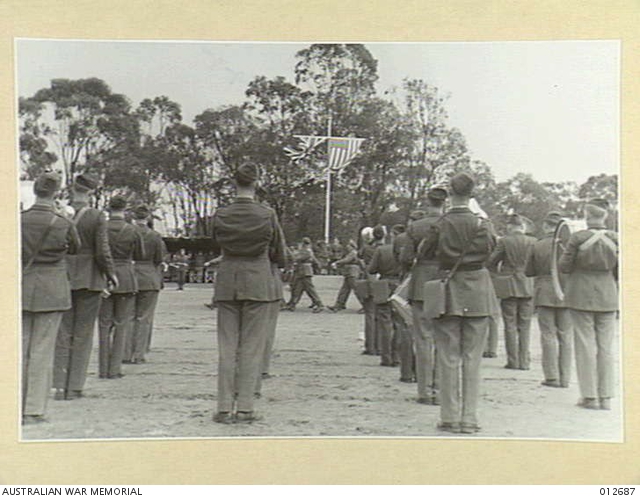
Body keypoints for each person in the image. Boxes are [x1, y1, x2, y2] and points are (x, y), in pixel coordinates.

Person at [420, 172, 498, 434]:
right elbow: (493, 250)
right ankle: (470, 418)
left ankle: (449, 416)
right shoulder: (483, 223)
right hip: (478, 291)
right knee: (473, 358)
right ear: (472, 194)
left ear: (450, 194)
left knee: (448, 355)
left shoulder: (441, 223)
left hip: (449, 291)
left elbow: (424, 252)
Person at [211, 163, 287, 424]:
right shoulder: (267, 214)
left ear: (235, 183)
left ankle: (223, 407)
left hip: (227, 281)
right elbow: (279, 251)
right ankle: (245, 407)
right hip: (258, 281)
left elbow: (217, 243)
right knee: (252, 347)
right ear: (256, 183)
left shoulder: (221, 214)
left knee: (227, 347)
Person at [21, 172, 80, 423]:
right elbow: (76, 247)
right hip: (52, 289)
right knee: (43, 350)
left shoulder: (18, 219)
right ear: (56, 193)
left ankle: (13, 403)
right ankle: (33, 409)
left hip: (22, 285)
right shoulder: (63, 222)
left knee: (19, 349)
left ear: (35, 190)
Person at [53, 173, 117, 401]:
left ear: (72, 189)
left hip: (63, 275)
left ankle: (59, 386)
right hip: (90, 278)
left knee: (63, 332)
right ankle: (75, 387)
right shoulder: (97, 216)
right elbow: (102, 251)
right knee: (83, 333)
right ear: (91, 192)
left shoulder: (59, 214)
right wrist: (110, 274)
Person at [559, 198, 618, 410]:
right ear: (606, 216)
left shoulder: (577, 238)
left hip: (580, 293)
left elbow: (564, 267)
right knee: (606, 348)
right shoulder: (616, 238)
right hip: (608, 294)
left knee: (585, 345)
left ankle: (589, 396)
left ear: (587, 216)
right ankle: (607, 397)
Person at [402, 191, 447, 405]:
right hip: (445, 283)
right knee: (443, 338)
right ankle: (440, 388)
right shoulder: (450, 224)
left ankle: (424, 390)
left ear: (428, 203)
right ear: (444, 203)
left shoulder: (415, 227)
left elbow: (405, 258)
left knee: (422, 339)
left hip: (421, 284)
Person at [524, 211, 573, 387]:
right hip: (566, 291)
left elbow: (528, 271)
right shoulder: (569, 245)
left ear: (546, 226)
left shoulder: (537, 245)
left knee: (548, 335)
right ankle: (565, 377)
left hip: (544, 291)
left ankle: (552, 376)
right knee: (566, 336)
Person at [97, 196, 142, 379]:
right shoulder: (132, 230)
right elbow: (140, 254)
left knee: (103, 324)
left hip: (103, 277)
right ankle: (115, 368)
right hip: (126, 277)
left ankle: (103, 368)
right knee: (122, 323)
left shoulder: (101, 227)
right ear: (125, 209)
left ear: (108, 208)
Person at [487, 214, 537, 370]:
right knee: (525, 324)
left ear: (510, 226)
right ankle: (524, 361)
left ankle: (513, 361)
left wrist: (497, 276)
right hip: (528, 283)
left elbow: (491, 261)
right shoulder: (533, 242)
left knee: (509, 324)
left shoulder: (504, 241)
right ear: (522, 226)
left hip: (508, 284)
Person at [124, 205, 167, 364]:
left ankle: (125, 353)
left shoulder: (126, 232)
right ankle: (139, 354)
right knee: (144, 318)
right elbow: (159, 259)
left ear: (134, 217)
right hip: (149, 277)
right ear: (148, 217)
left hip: (130, 275)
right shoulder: (155, 236)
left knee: (128, 316)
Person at [368, 225, 403, 367]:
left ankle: (386, 356)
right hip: (400, 285)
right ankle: (397, 357)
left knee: (384, 322)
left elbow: (372, 269)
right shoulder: (405, 251)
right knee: (400, 323)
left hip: (384, 284)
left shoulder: (382, 250)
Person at [358, 226, 383, 353]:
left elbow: (360, 256)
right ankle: (380, 346)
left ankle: (370, 346)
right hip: (383, 283)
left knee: (370, 315)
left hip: (370, 281)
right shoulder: (387, 249)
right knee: (381, 316)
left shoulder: (367, 249)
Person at [283, 237, 325, 312]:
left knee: (310, 290)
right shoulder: (307, 250)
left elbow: (297, 258)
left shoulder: (306, 251)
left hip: (305, 272)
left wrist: (290, 253)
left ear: (303, 243)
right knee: (297, 289)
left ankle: (319, 304)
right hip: (302, 272)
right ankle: (292, 304)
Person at [327, 241, 365, 312]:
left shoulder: (353, 253)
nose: (347, 247)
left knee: (357, 290)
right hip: (349, 273)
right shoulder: (351, 253)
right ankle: (339, 305)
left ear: (352, 246)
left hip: (352, 273)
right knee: (344, 290)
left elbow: (346, 260)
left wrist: (337, 262)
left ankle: (365, 306)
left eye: (348, 246)